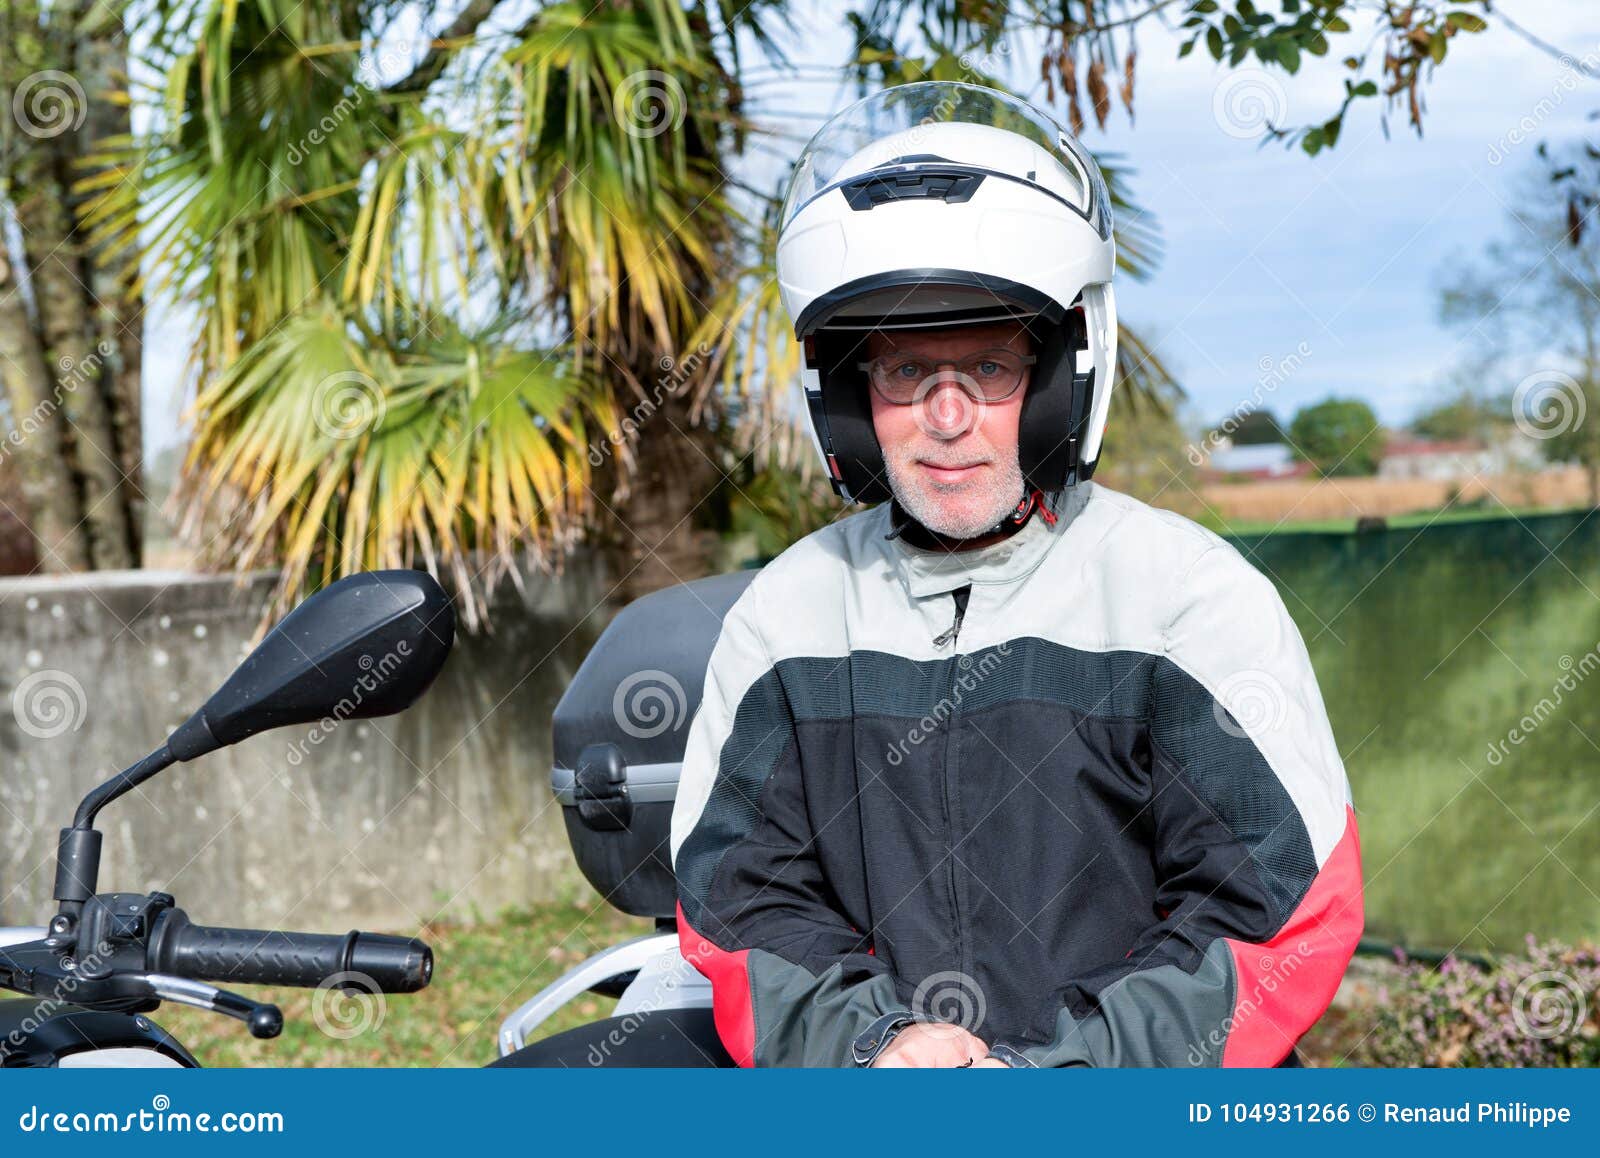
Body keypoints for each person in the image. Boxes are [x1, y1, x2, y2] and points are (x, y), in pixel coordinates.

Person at [667, 80, 1363, 1068]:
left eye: (990, 369)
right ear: (853, 399)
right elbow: (740, 901)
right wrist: (877, 1046)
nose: (947, 417)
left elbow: (1279, 908)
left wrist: (1056, 1082)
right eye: (906, 371)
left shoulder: (1185, 597)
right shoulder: (786, 614)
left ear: (1056, 383)